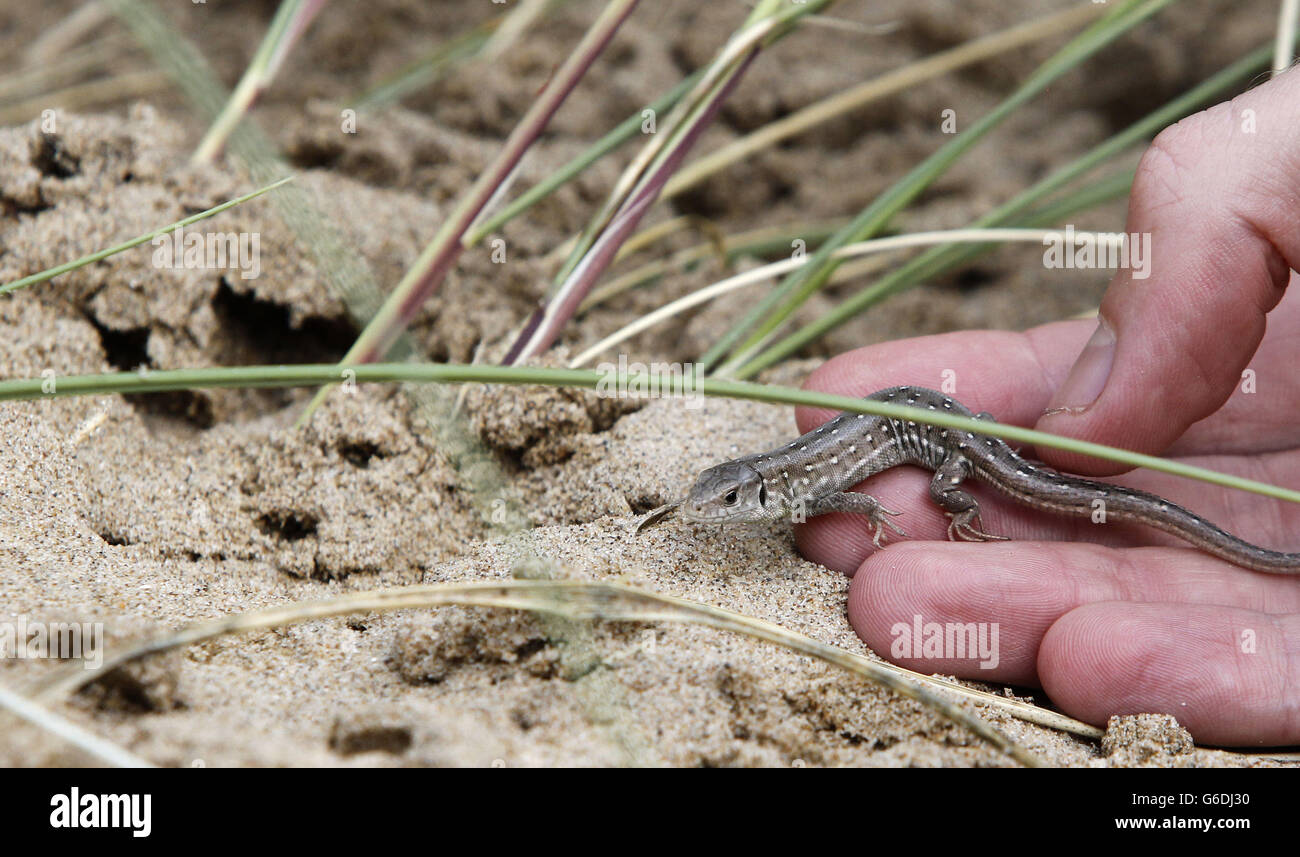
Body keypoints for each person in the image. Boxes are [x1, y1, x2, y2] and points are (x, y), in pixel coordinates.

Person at [796, 69, 1300, 746]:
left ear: (764, 488)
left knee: (971, 498)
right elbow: (855, 501)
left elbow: (858, 498)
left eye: (736, 498)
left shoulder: (813, 482)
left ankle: (971, 515)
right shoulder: (810, 481)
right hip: (960, 436)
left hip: (960, 453)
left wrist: (960, 506)